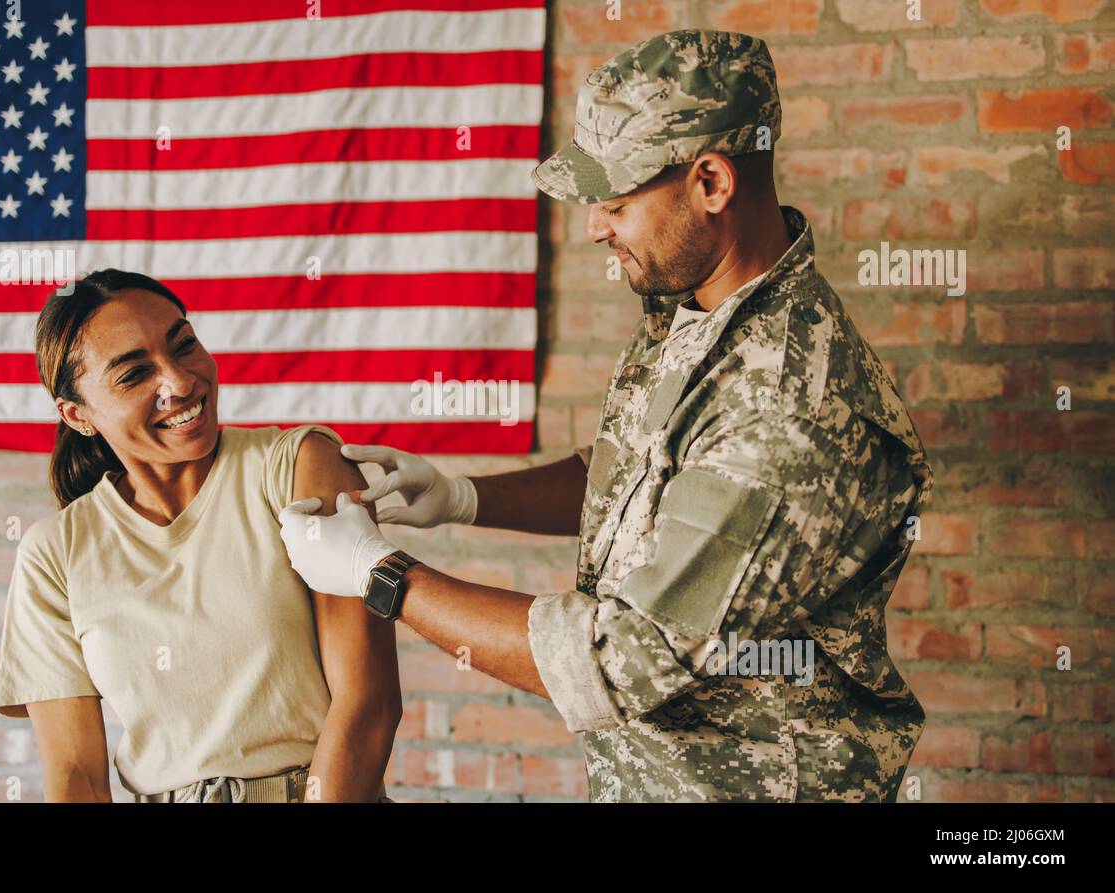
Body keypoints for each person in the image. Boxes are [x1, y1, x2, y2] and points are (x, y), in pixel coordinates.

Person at [279, 30, 934, 802]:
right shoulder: (691, 302)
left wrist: (382, 576)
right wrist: (465, 496)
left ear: (712, 181)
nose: (595, 226)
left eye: (617, 202)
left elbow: (627, 659)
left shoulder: (788, 405)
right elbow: (634, 480)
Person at [0, 269, 400, 802]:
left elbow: (367, 706)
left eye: (184, 345)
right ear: (78, 414)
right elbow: (77, 776)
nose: (180, 382)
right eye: (135, 374)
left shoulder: (298, 468)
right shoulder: (54, 555)